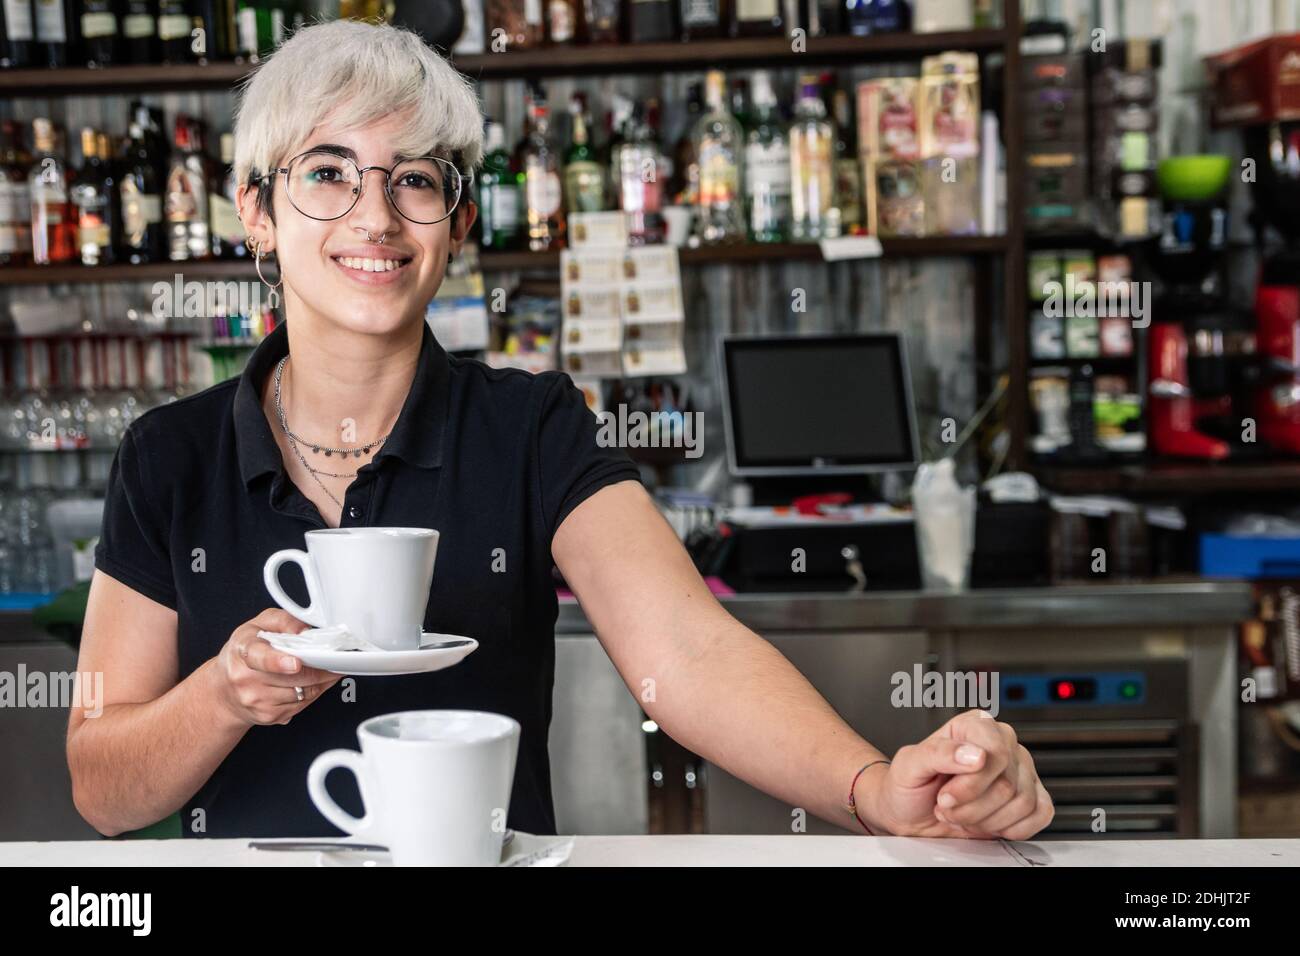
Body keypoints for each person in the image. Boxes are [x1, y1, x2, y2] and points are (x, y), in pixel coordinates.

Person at [67, 19, 1053, 842]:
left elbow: (688, 654)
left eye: (416, 179)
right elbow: (102, 788)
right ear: (257, 214)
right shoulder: (169, 454)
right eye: (327, 173)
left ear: (458, 225)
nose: (375, 217)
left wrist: (873, 787)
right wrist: (221, 695)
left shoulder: (529, 423)